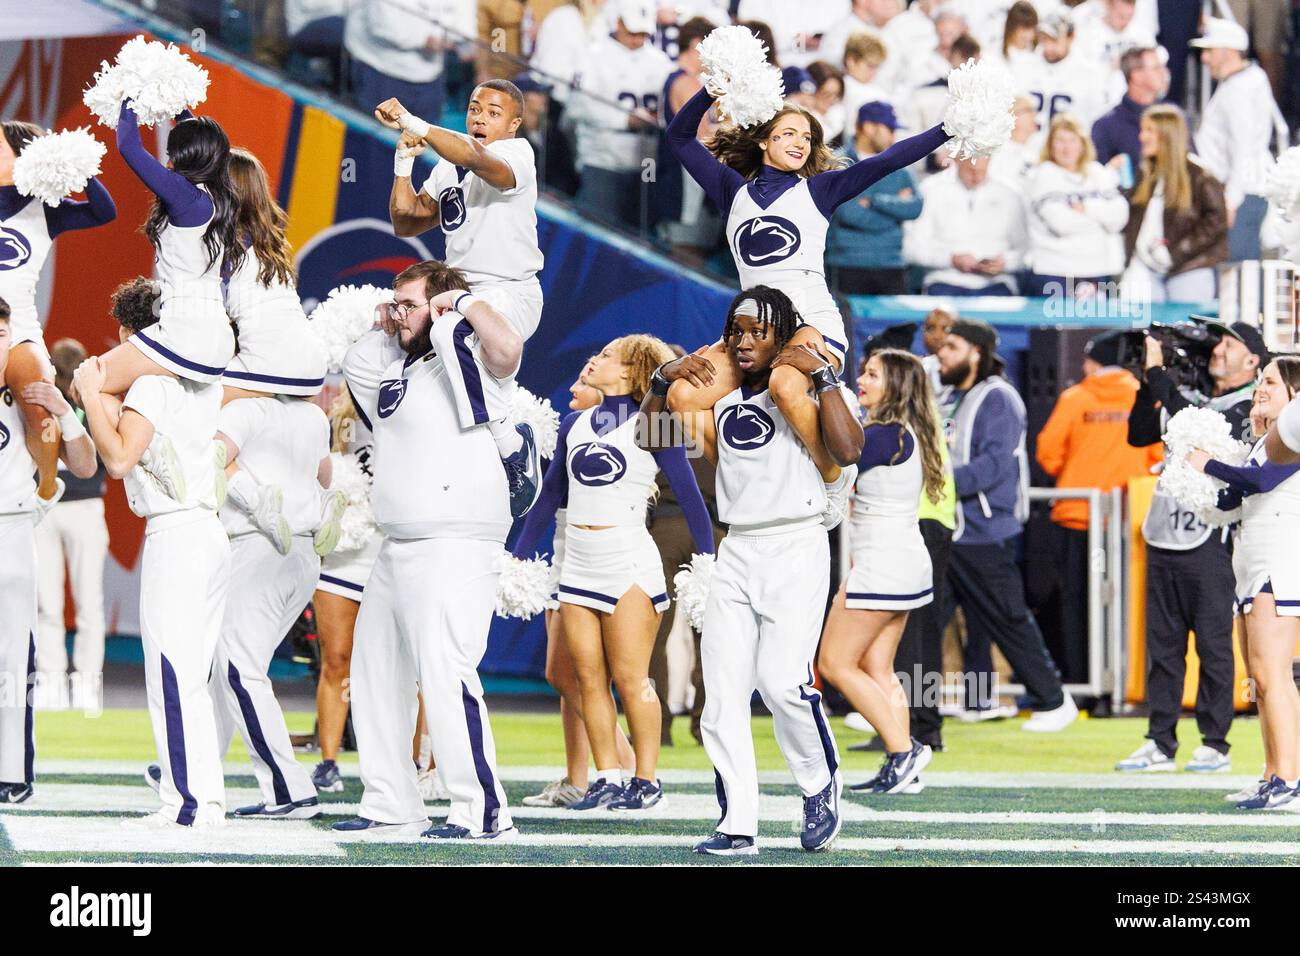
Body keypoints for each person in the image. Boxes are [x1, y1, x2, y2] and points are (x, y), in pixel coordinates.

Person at [637, 286, 865, 857]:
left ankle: (818, 785)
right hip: (736, 547)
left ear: (783, 336)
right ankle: (738, 820)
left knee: (783, 680)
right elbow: (648, 440)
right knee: (722, 695)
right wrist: (663, 382)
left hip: (797, 542)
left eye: (756, 332)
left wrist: (827, 378)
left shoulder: (804, 391)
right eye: (735, 332)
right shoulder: (719, 406)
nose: (741, 342)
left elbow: (849, 447)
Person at [330, 260, 517, 841]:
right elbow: (358, 363)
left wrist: (456, 307)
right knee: (375, 673)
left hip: (455, 539)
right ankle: (390, 803)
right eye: (397, 304)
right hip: (398, 542)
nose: (398, 314)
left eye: (408, 304)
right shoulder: (395, 371)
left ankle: (481, 811)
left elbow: (507, 347)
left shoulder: (468, 361)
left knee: (445, 672)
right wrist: (387, 319)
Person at [663, 71, 950, 438]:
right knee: (683, 397)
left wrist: (946, 130)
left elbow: (887, 160)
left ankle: (828, 481)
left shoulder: (820, 190)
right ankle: (740, 480)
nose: (801, 143)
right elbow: (679, 137)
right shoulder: (731, 191)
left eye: (807, 137)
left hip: (810, 321)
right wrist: (712, 89)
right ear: (764, 141)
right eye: (788, 134)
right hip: (753, 328)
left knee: (785, 384)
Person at [513, 335, 714, 811]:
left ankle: (646, 780)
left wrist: (706, 564)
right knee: (588, 681)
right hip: (578, 563)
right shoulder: (573, 423)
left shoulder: (656, 425)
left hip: (627, 560)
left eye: (605, 356)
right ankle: (606, 776)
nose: (594, 360)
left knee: (631, 679)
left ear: (629, 372)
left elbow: (690, 499)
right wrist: (517, 558)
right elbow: (548, 501)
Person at [76, 278, 229, 828]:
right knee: (192, 674)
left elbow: (117, 460)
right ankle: (205, 798)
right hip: (208, 530)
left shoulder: (149, 387)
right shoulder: (203, 383)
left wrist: (93, 392)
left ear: (127, 335)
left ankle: (186, 802)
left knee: (171, 671)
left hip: (178, 535)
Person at [377, 79, 543, 516]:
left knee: (451, 329)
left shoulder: (517, 154)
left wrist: (413, 122)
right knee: (395, 336)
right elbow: (407, 223)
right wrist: (403, 162)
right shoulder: (446, 167)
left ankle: (511, 444)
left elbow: (474, 155)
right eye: (474, 108)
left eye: (492, 111)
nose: (480, 117)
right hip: (459, 292)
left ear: (513, 123)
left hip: (510, 291)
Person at [1118, 321, 1266, 772]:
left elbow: (1199, 435)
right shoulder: (1191, 397)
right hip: (1165, 532)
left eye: (1228, 343)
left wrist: (1164, 378)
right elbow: (1140, 433)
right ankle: (1160, 740)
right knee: (1162, 646)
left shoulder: (1249, 405)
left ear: (1253, 360)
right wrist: (1150, 382)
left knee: (1213, 645)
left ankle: (1215, 742)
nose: (1217, 350)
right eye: (1215, 342)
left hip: (1212, 538)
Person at [204, 370, 335, 820]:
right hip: (304, 553)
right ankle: (198, 767)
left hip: (259, 543)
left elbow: (214, 456)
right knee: (229, 666)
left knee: (238, 668)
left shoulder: (243, 409)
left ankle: (288, 788)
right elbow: (324, 474)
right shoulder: (313, 415)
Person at [937, 319, 1078, 731]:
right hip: (952, 527)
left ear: (975, 352)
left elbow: (993, 465)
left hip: (985, 529)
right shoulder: (949, 396)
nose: (942, 354)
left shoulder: (1000, 398)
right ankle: (904, 707)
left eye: (952, 346)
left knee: (1007, 618)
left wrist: (934, 483)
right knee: (924, 619)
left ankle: (1053, 700)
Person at [820, 348, 946, 794]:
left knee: (834, 663)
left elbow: (828, 459)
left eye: (873, 374)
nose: (862, 379)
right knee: (878, 666)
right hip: (903, 561)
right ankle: (906, 766)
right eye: (865, 371)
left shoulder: (883, 434)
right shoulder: (899, 431)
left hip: (884, 564)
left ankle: (902, 750)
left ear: (895, 386)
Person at [521, 368, 637, 808]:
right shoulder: (573, 430)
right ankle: (578, 779)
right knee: (572, 676)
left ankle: (624, 764)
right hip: (564, 544)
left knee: (576, 675)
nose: (572, 388)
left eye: (585, 380)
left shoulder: (634, 427)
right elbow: (547, 491)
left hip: (597, 551)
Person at [1191, 357, 1300, 808]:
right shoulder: (1263, 441)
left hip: (1280, 562)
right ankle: (1274, 772)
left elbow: (1263, 480)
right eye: (1259, 381)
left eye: (1270, 381)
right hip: (1251, 564)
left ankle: (1291, 779)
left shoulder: (1293, 434)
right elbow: (1234, 495)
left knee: (1273, 675)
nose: (1260, 388)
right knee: (1258, 678)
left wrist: (1208, 462)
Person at [0, 297, 97, 804]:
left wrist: (66, 414)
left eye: (2, 336)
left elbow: (81, 465)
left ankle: (12, 772)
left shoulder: (31, 396)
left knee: (14, 658)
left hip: (13, 526)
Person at [93, 103, 240, 418]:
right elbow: (195, 133)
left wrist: (130, 93)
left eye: (172, 154)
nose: (168, 161)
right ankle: (153, 454)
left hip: (186, 331)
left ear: (183, 156)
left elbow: (128, 145)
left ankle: (133, 456)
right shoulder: (219, 193)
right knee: (168, 412)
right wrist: (173, 98)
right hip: (214, 336)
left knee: (89, 382)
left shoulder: (184, 196)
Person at [1034, 330, 1162, 683]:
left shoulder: (1075, 398)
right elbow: (1159, 457)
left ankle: (1082, 682)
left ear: (1093, 361)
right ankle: (1125, 684)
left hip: (1079, 520)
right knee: (1124, 603)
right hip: (1127, 521)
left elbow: (1048, 454)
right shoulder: (1143, 396)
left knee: (1078, 604)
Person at [0, 121, 115, 510]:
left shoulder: (44, 208)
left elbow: (104, 211)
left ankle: (46, 486)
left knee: (37, 402)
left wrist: (79, 170)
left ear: (23, 155)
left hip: (16, 331)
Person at [34, 339, 109, 713]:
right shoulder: (41, 402)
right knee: (46, 601)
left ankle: (86, 683)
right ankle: (50, 679)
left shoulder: (92, 403)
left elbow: (107, 455)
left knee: (87, 602)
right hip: (45, 506)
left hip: (86, 507)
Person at [311, 390, 377, 794]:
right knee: (335, 660)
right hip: (344, 553)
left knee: (405, 669)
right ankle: (328, 761)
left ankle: (419, 762)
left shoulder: (416, 402)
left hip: (392, 549)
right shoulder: (343, 414)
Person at [566, 0, 673, 231]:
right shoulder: (592, 55)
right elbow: (577, 106)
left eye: (643, 32)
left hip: (646, 163)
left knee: (644, 239)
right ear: (618, 21)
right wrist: (625, 120)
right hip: (603, 160)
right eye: (633, 31)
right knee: (601, 234)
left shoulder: (660, 60)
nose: (638, 38)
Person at [1120, 104, 1228, 304]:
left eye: (1149, 130)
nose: (1142, 137)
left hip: (1188, 269)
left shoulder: (1201, 176)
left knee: (1186, 332)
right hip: (1145, 270)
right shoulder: (1145, 174)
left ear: (1167, 134)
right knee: (1144, 332)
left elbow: (1216, 223)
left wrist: (1176, 253)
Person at [1191, 16, 1278, 260]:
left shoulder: (1240, 89)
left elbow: (1245, 149)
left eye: (1210, 51)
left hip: (1241, 194)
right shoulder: (1245, 79)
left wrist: (1231, 200)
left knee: (1238, 275)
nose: (1204, 58)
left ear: (1229, 51)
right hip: (1239, 192)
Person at [1023, 113, 1128, 297]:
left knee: (1097, 326)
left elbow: (1119, 217)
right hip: (1053, 272)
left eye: (1072, 140)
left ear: (1082, 143)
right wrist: (1101, 219)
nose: (1067, 147)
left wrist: (1087, 208)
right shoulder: (1042, 174)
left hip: (1096, 270)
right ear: (1050, 144)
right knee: (1054, 326)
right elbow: (1062, 224)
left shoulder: (1097, 172)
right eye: (1060, 140)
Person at [826, 102, 924, 297]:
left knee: (896, 327)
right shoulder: (837, 162)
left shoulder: (900, 165)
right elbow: (849, 213)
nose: (893, 137)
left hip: (891, 266)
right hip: (845, 265)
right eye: (889, 129)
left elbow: (915, 207)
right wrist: (893, 210)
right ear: (869, 128)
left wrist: (873, 201)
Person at [904, 156, 1027, 296]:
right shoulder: (930, 189)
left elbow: (1026, 251)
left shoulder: (1010, 193)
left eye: (982, 171)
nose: (976, 176)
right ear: (958, 159)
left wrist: (1005, 262)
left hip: (997, 285)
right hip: (943, 282)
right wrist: (950, 259)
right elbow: (912, 248)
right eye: (971, 170)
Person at [344, 0, 472, 127]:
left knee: (423, 139)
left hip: (429, 76)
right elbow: (382, 24)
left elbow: (465, 24)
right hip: (380, 70)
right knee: (376, 138)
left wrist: (456, 39)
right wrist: (425, 40)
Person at [1090, 46, 1169, 173]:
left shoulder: (1174, 118)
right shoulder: (1106, 126)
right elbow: (1098, 178)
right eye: (1156, 68)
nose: (1164, 73)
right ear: (1136, 76)